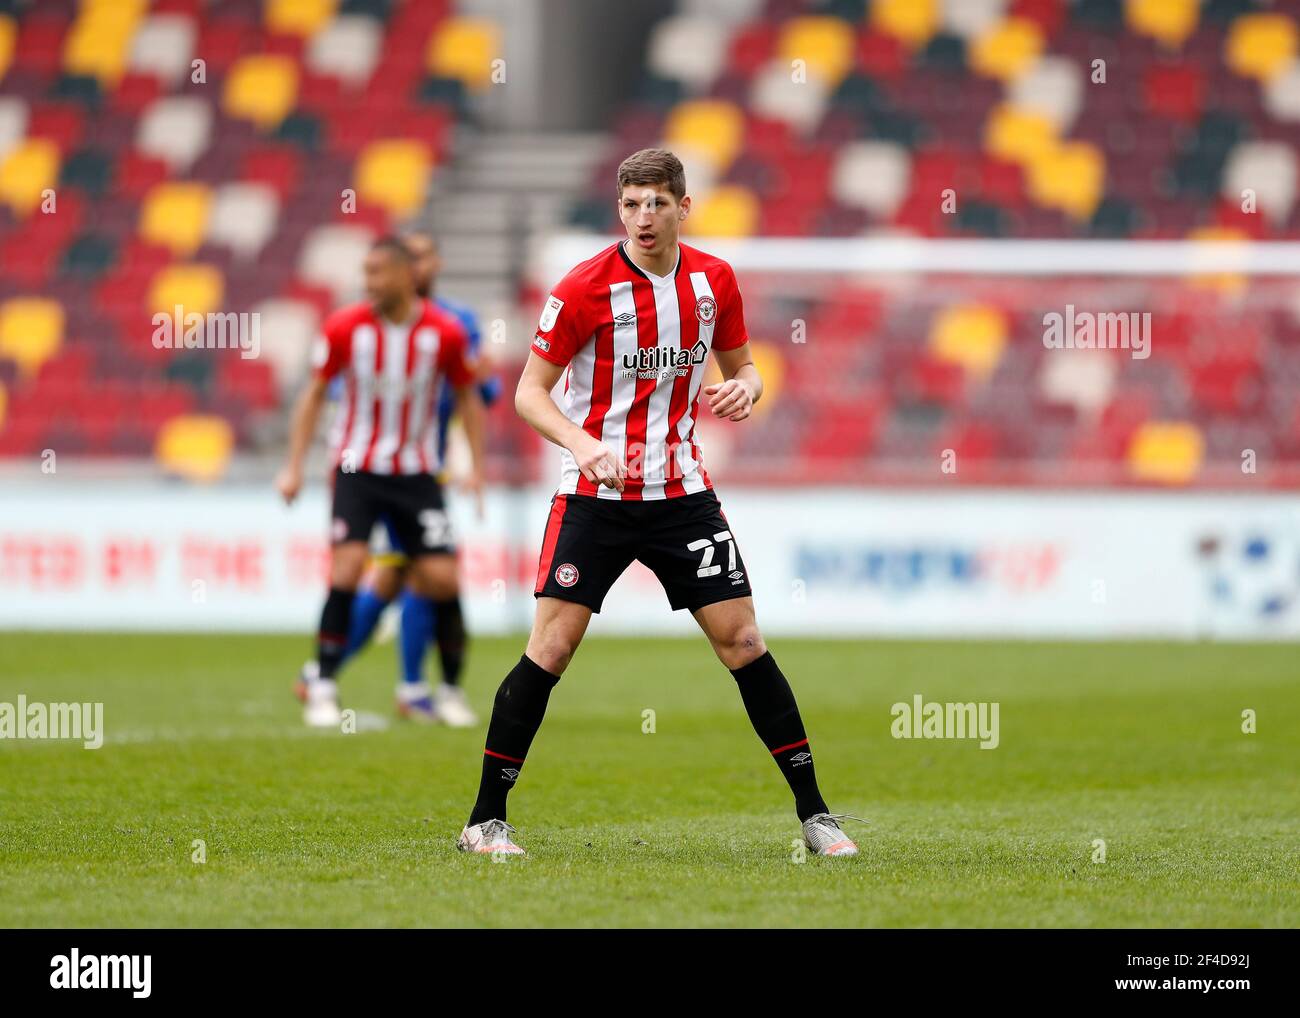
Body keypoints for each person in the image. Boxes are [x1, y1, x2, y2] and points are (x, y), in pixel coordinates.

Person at [457, 149, 862, 857]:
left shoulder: (714, 280)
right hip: (596, 495)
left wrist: (748, 389)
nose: (644, 217)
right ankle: (484, 822)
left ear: (683, 207)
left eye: (657, 203)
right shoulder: (582, 288)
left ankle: (816, 817)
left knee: (744, 642)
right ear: (619, 209)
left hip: (683, 496)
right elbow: (528, 393)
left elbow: (745, 367)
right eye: (632, 204)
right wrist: (582, 444)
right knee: (551, 648)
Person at [276, 236, 486, 727]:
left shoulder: (446, 332)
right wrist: (293, 465)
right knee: (347, 569)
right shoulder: (345, 327)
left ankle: (449, 691)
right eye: (365, 272)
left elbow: (469, 396)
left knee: (442, 579)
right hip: (358, 469)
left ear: (405, 275)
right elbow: (313, 395)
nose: (368, 282)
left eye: (377, 272)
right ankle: (324, 688)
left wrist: (475, 466)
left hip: (417, 473)